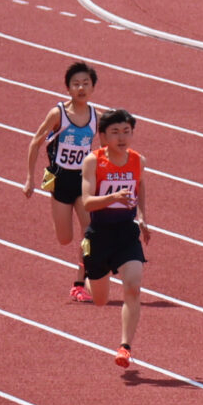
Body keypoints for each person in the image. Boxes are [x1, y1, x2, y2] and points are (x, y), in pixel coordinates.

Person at [80, 109, 151, 368]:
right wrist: (113, 198)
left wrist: (142, 216)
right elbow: (87, 202)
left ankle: (125, 347)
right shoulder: (93, 161)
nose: (122, 137)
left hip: (125, 232)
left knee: (133, 286)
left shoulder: (137, 160)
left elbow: (140, 185)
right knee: (101, 300)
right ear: (103, 136)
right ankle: (86, 270)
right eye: (115, 132)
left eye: (126, 131)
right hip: (99, 234)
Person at [24, 61, 100, 303]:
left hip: (83, 180)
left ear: (92, 88)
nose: (81, 88)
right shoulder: (59, 114)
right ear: (68, 88)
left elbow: (107, 148)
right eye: (76, 84)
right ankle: (83, 271)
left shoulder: (96, 117)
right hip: (60, 180)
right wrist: (29, 178)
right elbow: (35, 142)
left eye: (86, 84)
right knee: (65, 238)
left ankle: (80, 283)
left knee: (90, 233)